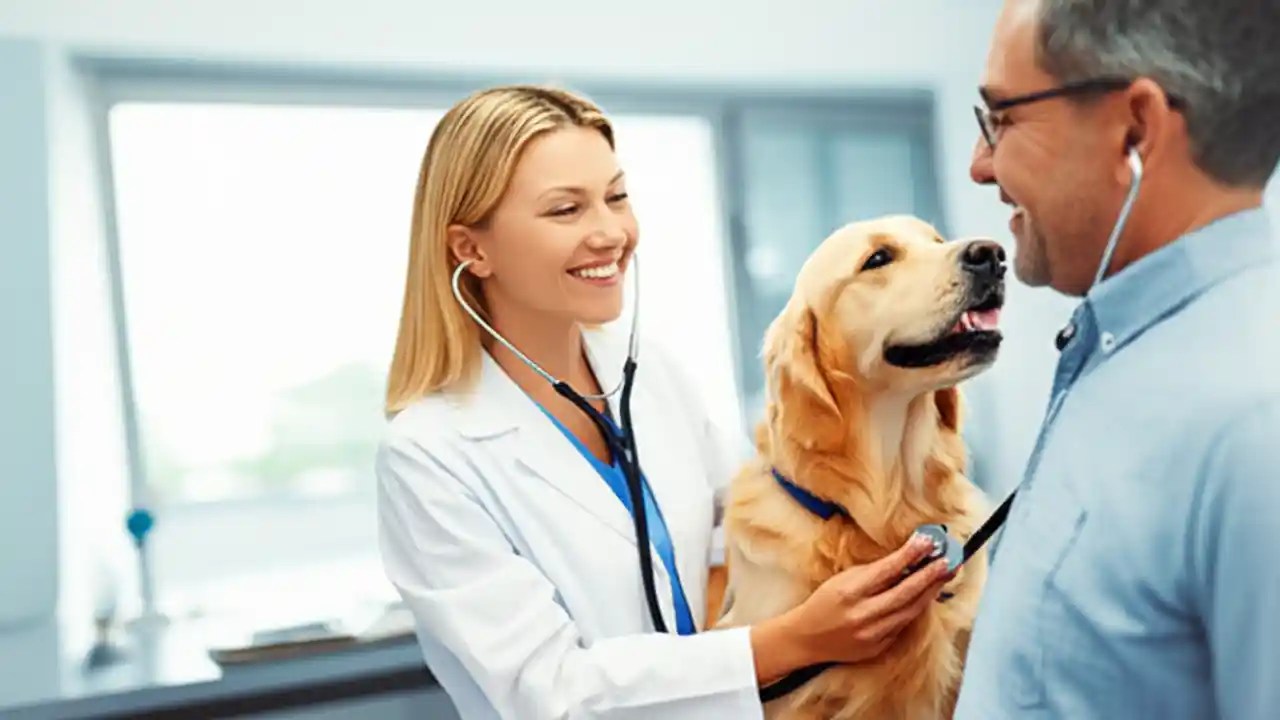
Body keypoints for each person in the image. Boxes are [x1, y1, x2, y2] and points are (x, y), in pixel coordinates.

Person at [374, 84, 955, 720]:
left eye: (616, 197)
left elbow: (746, 535)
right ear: (471, 249)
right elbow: (549, 693)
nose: (611, 233)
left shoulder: (649, 374)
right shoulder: (429, 455)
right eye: (566, 209)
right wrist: (791, 641)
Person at [957, 1, 1280, 719]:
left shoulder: (1254, 423)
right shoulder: (1117, 352)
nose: (981, 165)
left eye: (1002, 118)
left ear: (1135, 128)